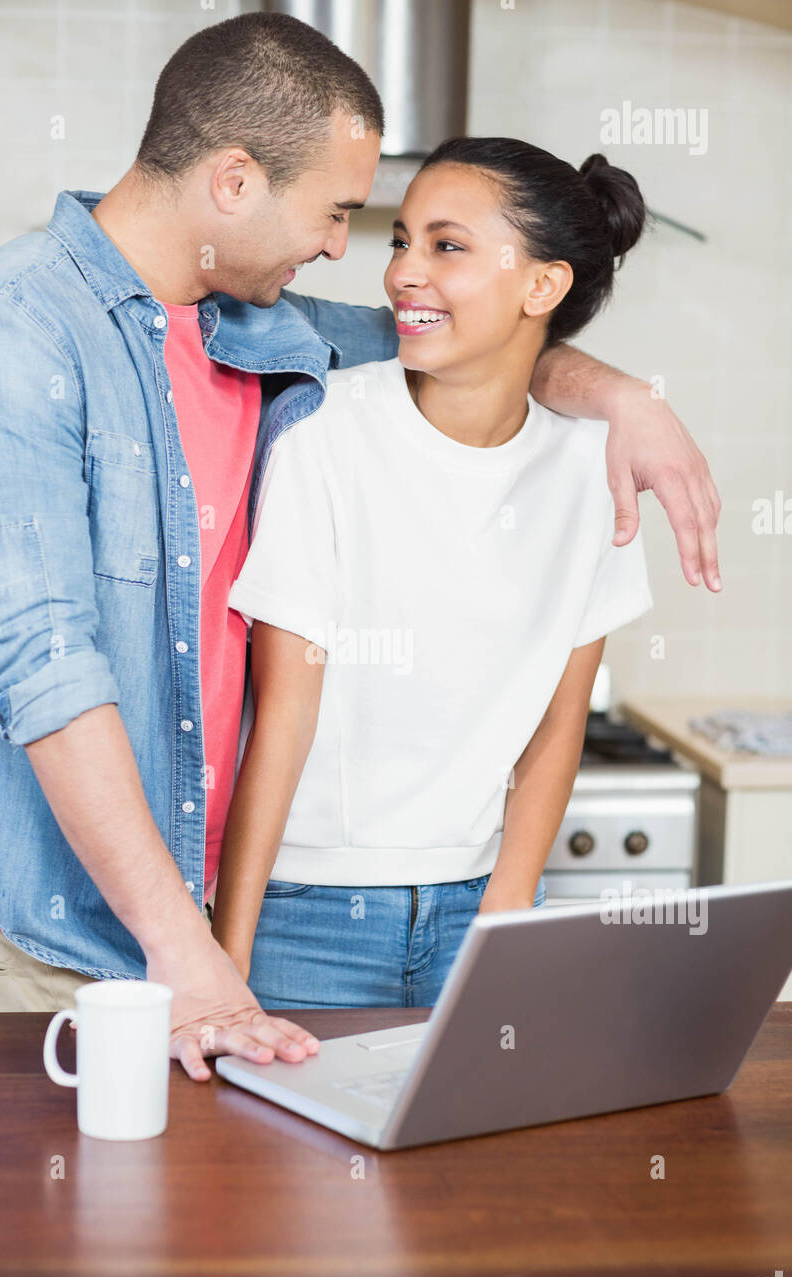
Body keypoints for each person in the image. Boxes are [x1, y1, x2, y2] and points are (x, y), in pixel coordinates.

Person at [0, 14, 719, 1081]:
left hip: (200, 936)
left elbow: (476, 348)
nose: (345, 249)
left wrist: (623, 397)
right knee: (52, 1243)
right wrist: (185, 949)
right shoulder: (9, 333)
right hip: (38, 947)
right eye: (340, 212)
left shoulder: (261, 328)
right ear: (234, 182)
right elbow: (46, 668)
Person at [211, 137, 654, 1008]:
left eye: (446, 246)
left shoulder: (593, 472)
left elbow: (557, 730)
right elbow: (284, 720)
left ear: (542, 286)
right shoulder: (325, 433)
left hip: (478, 910)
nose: (406, 273)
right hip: (303, 916)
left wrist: (507, 917)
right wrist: (228, 952)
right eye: (401, 241)